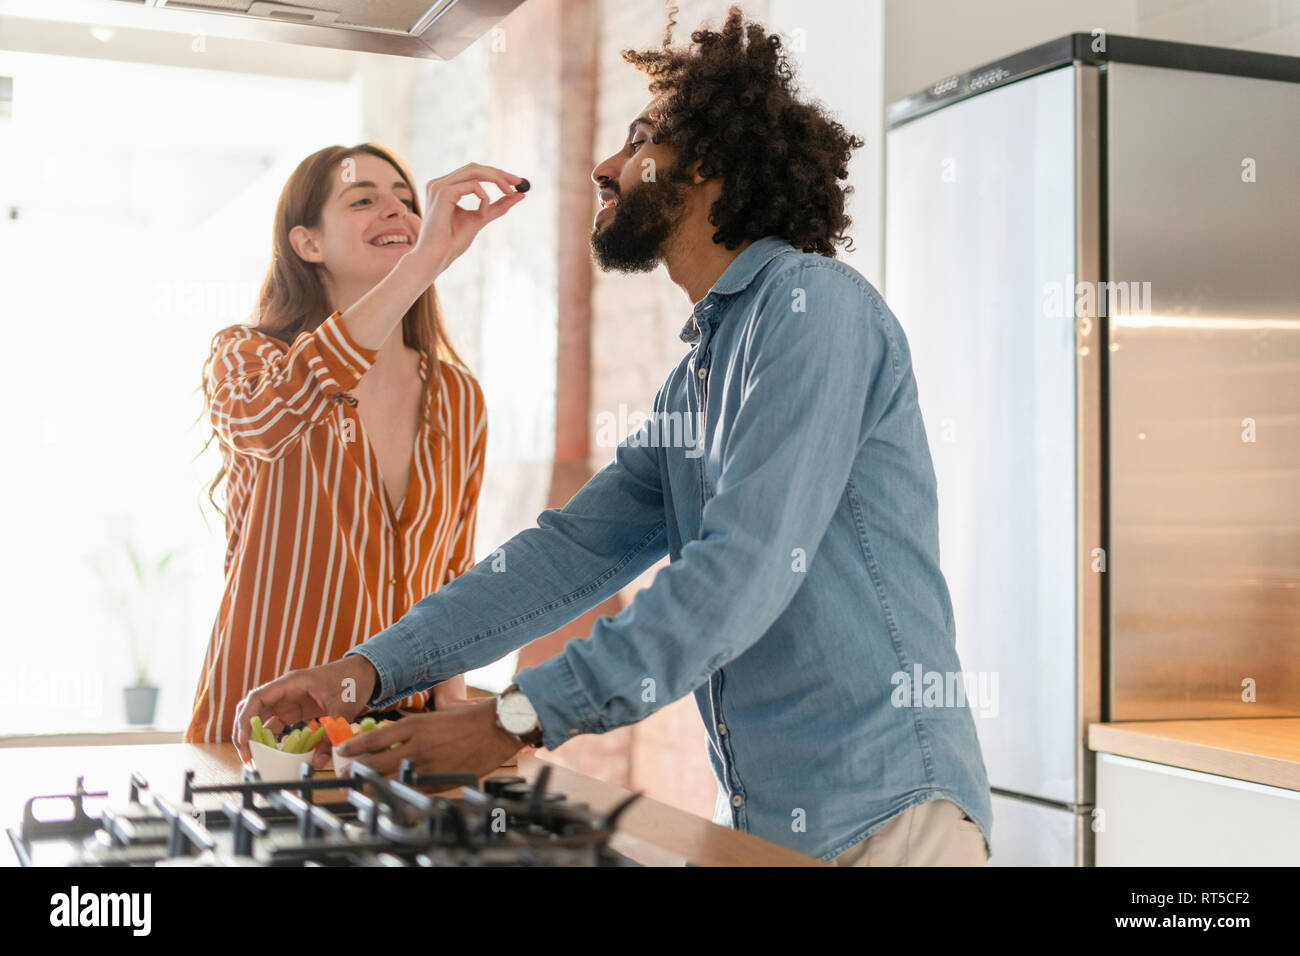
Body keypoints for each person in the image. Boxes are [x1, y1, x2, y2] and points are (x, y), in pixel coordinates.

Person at [233, 6, 992, 866]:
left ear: (703, 163)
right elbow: (566, 555)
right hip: (770, 818)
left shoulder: (815, 308)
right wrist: (364, 673)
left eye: (636, 139)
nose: (603, 165)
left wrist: (512, 720)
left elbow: (741, 572)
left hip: (889, 819)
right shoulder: (699, 374)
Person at [185, 144, 526, 747]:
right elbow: (266, 423)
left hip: (400, 745)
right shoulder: (248, 358)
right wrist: (424, 262)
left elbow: (451, 573)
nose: (394, 210)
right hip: (259, 736)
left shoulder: (458, 396)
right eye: (363, 199)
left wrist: (451, 706)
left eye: (404, 198)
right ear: (308, 244)